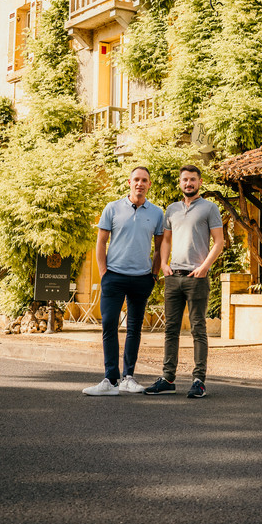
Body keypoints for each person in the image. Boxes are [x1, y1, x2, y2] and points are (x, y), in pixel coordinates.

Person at [82, 166, 164, 396]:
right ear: (129, 182)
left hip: (142, 278)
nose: (140, 183)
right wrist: (103, 272)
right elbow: (101, 242)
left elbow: (159, 247)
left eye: (144, 180)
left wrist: (154, 274)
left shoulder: (157, 213)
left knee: (134, 328)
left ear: (149, 184)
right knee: (109, 326)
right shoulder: (112, 208)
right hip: (114, 277)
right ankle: (110, 380)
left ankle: (128, 377)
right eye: (136, 179)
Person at [144, 164, 224, 398]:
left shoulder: (210, 208)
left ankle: (199, 380)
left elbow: (218, 241)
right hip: (173, 277)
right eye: (184, 180)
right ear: (180, 183)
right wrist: (164, 265)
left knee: (198, 329)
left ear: (200, 182)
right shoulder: (172, 210)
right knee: (171, 329)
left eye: (192, 179)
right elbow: (166, 241)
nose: (188, 183)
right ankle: (168, 378)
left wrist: (204, 267)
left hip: (196, 277)